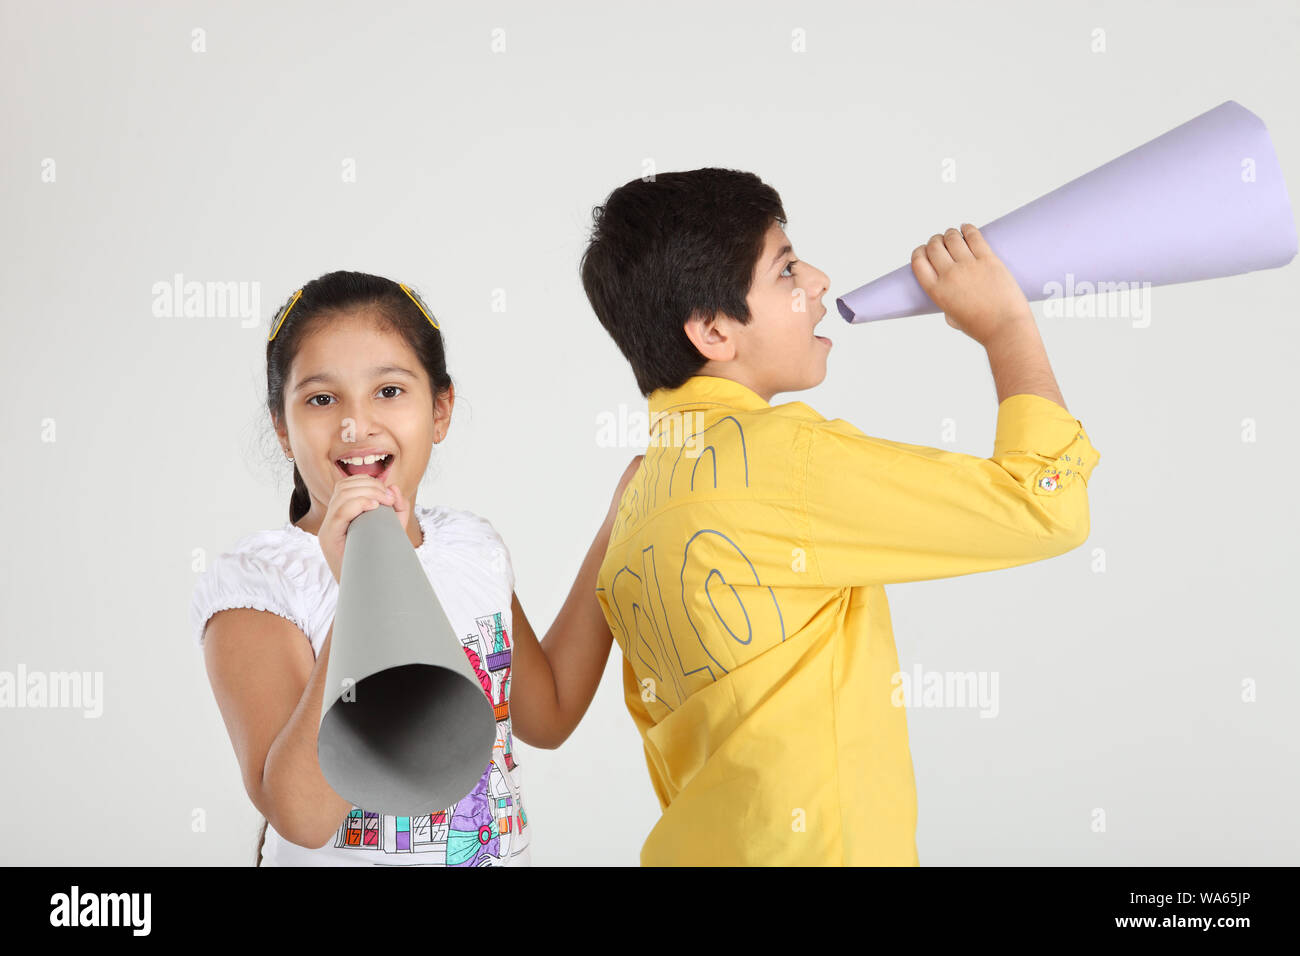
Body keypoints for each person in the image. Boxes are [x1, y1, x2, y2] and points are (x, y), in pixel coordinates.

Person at [580, 168, 1100, 865]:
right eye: (786, 268)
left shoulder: (639, 501)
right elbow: (1047, 503)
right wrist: (1006, 325)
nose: (818, 279)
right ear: (711, 331)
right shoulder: (786, 461)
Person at [190, 270, 635, 865]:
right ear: (282, 428)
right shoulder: (260, 584)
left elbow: (546, 715)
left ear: (441, 409)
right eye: (321, 399)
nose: (356, 424)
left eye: (390, 391)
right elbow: (301, 816)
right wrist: (361, 591)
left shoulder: (472, 549)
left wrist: (618, 527)